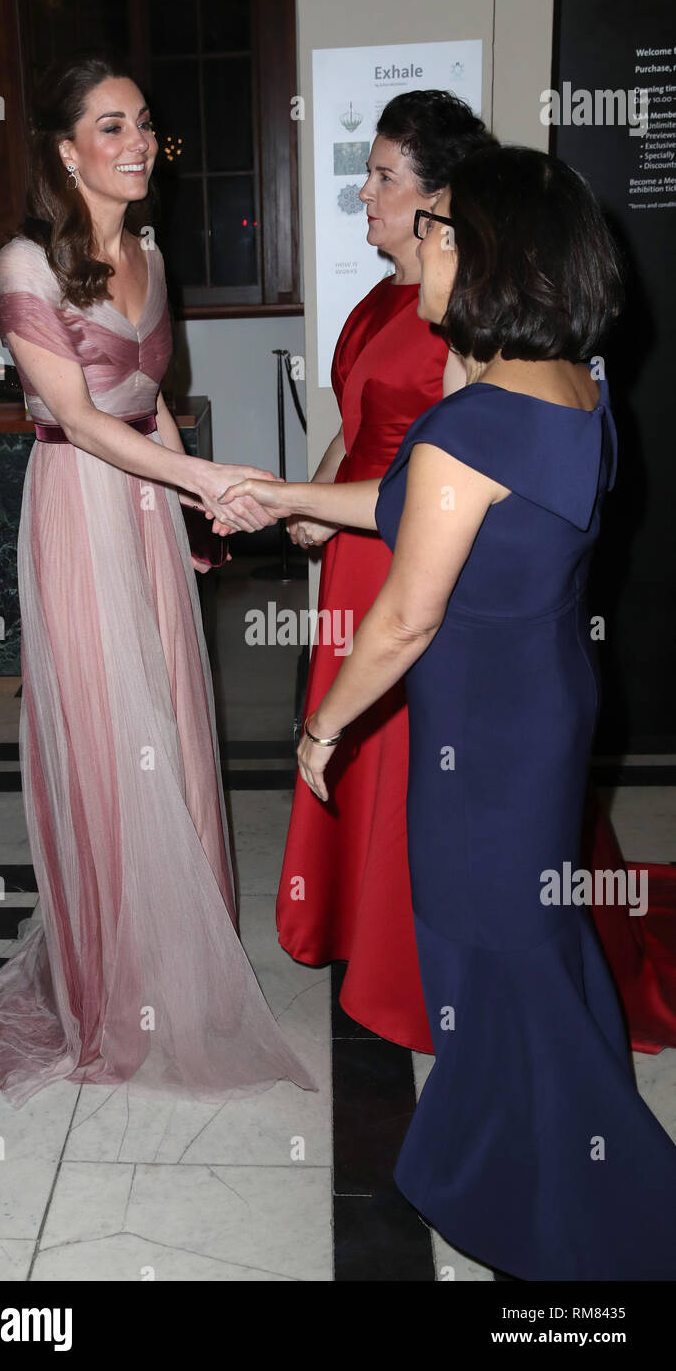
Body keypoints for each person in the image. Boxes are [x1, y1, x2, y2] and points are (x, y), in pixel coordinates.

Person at [221, 146, 676, 1278]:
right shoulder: (575, 381)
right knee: (531, 933)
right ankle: (527, 1136)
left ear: (480, 252)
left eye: (431, 227)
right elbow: (414, 503)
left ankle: (558, 1189)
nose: (412, 247)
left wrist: (321, 727)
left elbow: (402, 622)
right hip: (547, 705)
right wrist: (283, 493)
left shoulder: (468, 425)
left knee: (483, 949)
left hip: (478, 733)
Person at [0, 53, 315, 1107]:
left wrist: (202, 499)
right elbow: (76, 418)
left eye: (144, 123)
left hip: (146, 505)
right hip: (77, 506)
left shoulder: (153, 254)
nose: (137, 142)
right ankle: (112, 980)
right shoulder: (24, 264)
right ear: (65, 150)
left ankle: (180, 952)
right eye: (109, 127)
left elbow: (147, 397)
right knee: (110, 732)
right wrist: (200, 471)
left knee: (168, 716)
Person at [277, 92, 495, 1051]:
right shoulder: (378, 295)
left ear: (436, 198)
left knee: (398, 755)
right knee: (351, 748)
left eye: (381, 178)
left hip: (410, 554)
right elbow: (356, 423)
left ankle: (402, 963)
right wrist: (309, 501)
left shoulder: (466, 308)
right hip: (354, 548)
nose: (360, 193)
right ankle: (349, 922)